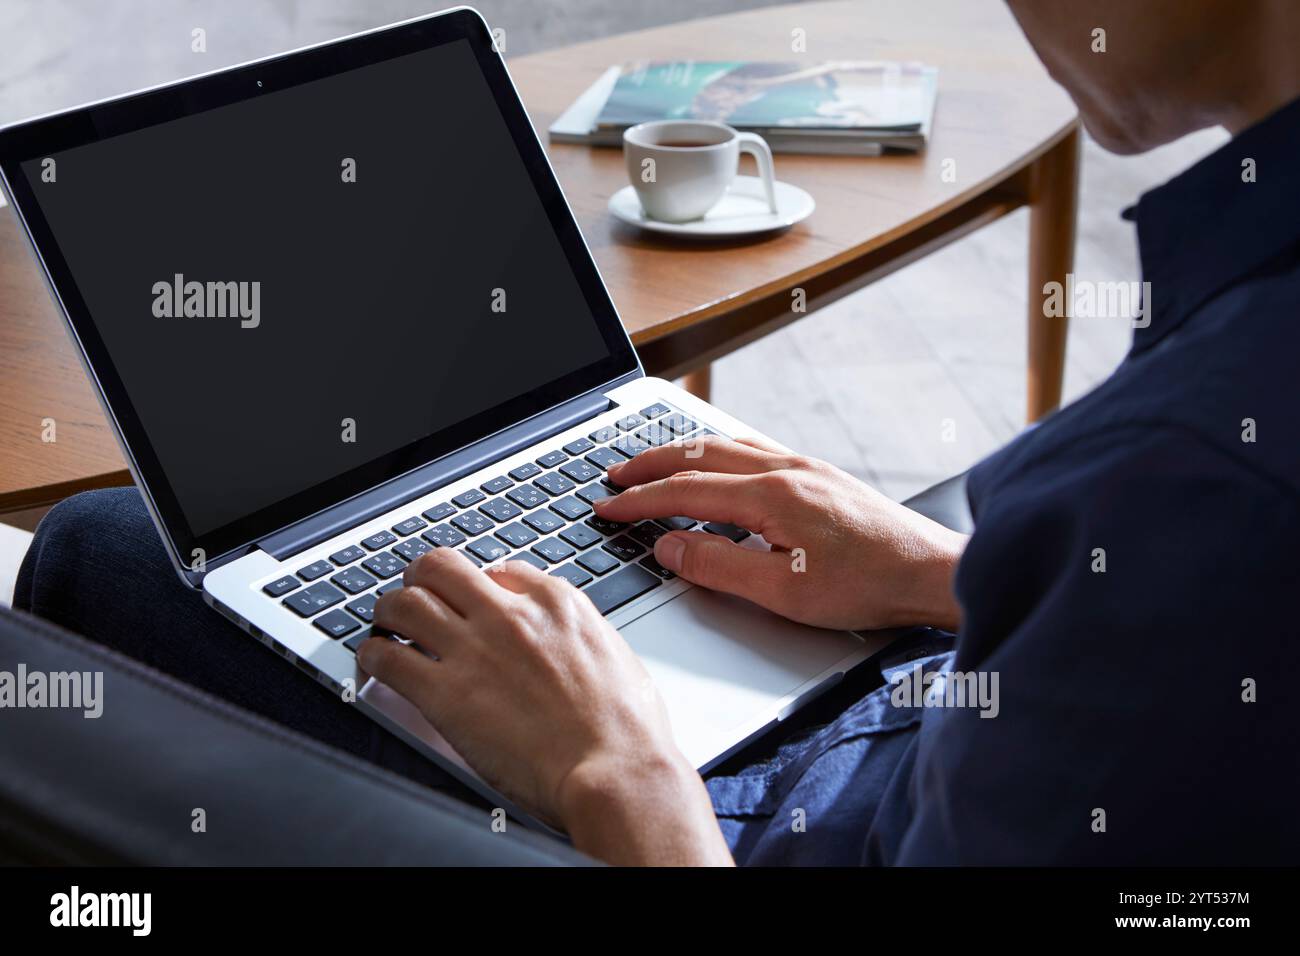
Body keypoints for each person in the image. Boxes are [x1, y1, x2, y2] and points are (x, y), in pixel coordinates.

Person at [16, 0, 1300, 865]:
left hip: (746, 823)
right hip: (929, 698)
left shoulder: (1194, 471)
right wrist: (948, 579)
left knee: (101, 547)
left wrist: (610, 770)